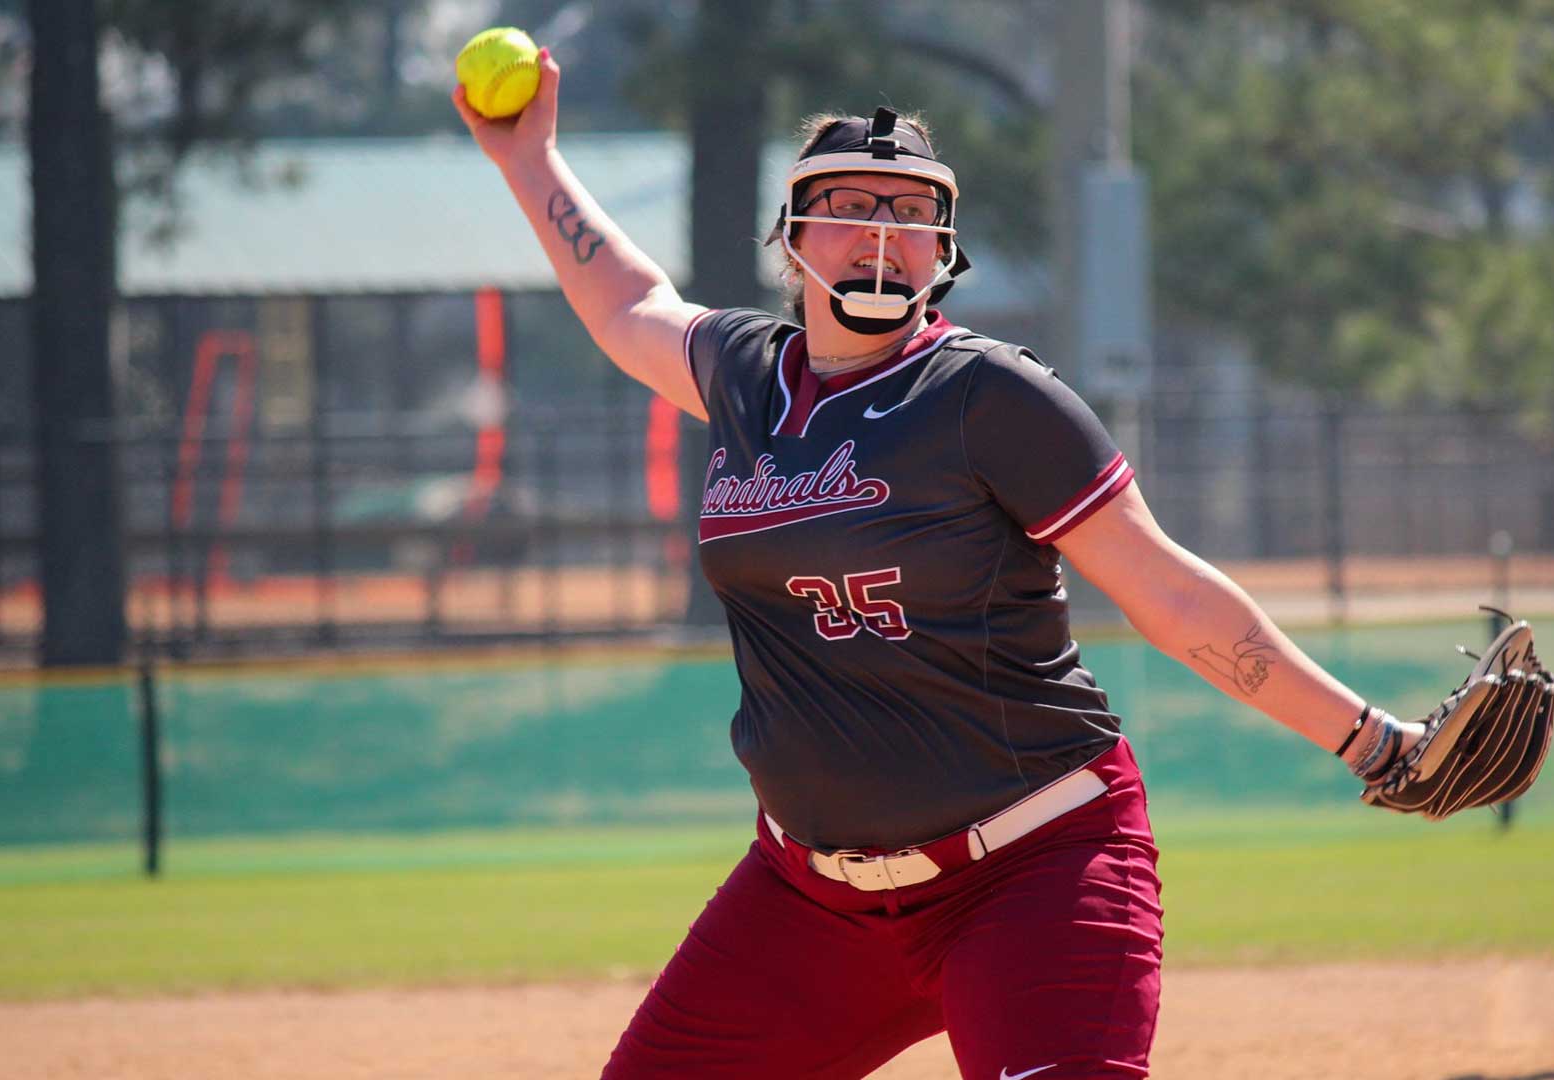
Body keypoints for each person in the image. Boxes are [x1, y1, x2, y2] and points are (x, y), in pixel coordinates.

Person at [457, 50, 1470, 1079]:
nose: (884, 232)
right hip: (808, 901)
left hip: (1034, 871)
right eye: (851, 206)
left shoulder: (987, 397)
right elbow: (629, 305)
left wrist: (1375, 743)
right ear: (790, 237)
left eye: (913, 213)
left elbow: (1166, 590)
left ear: (943, 251)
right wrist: (529, 158)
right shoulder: (745, 377)